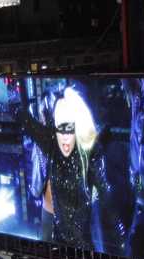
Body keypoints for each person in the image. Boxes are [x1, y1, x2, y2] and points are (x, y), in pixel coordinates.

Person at [22, 86, 105, 249]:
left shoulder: (84, 151)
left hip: (78, 227)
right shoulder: (48, 140)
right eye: (59, 127)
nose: (64, 134)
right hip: (51, 209)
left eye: (68, 127)